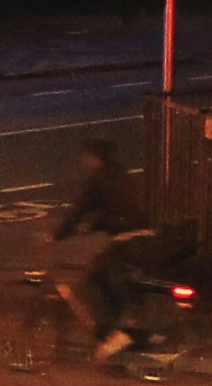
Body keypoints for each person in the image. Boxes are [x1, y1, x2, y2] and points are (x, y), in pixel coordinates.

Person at [60, 143, 183, 361]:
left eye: (87, 157)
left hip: (127, 241)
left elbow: (79, 211)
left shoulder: (99, 180)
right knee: (117, 282)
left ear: (96, 158)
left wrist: (58, 235)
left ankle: (120, 334)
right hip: (147, 238)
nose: (84, 162)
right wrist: (97, 224)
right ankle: (128, 333)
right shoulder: (122, 176)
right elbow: (121, 208)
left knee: (91, 282)